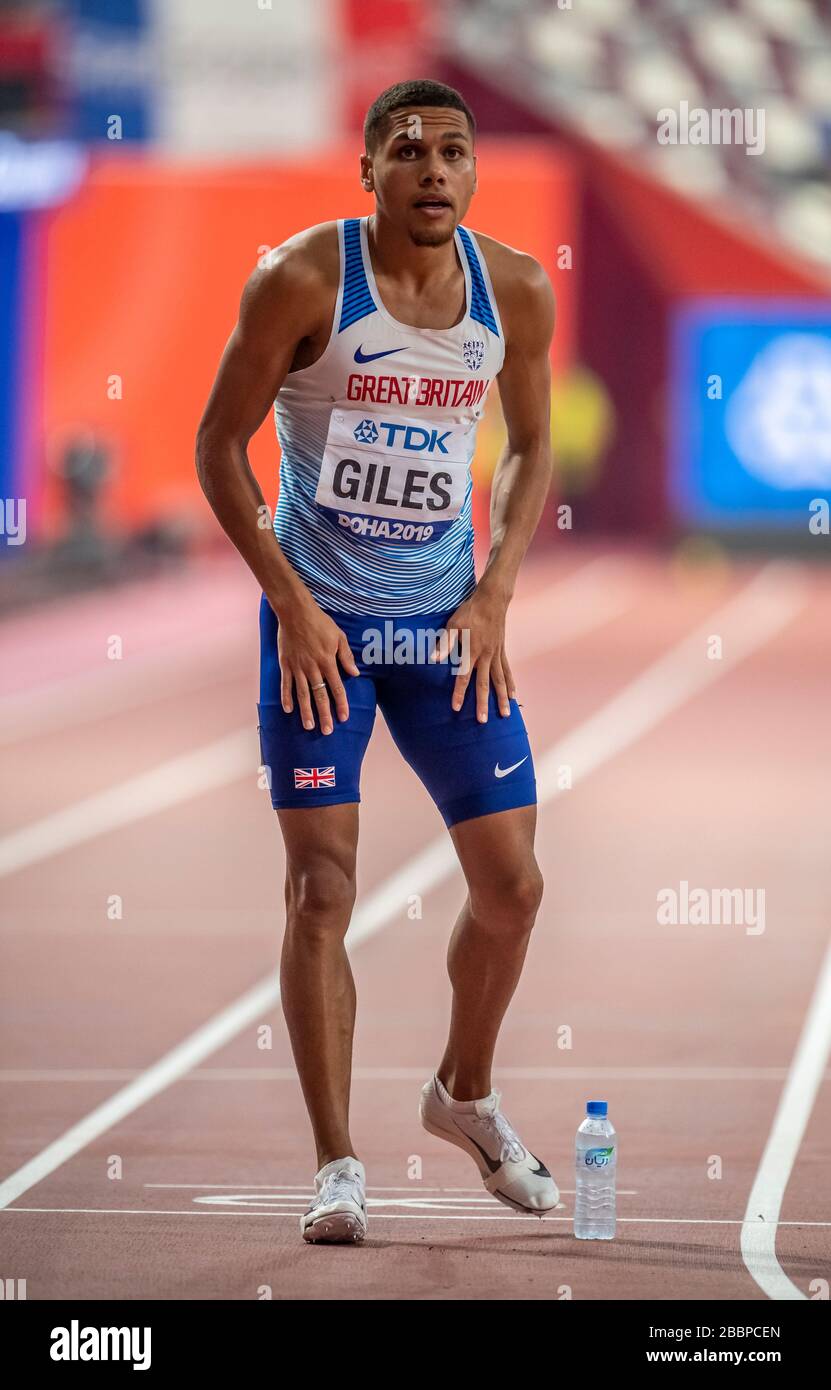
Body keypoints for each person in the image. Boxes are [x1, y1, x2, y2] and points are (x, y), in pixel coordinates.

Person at [196, 78, 558, 1244]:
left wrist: (497, 590)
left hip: (444, 627)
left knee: (513, 891)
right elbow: (218, 448)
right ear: (369, 172)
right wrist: (290, 605)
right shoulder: (303, 279)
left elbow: (533, 445)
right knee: (322, 889)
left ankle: (464, 1093)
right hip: (324, 631)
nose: (436, 170)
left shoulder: (515, 291)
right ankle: (339, 1164)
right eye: (409, 152)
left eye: (455, 151)